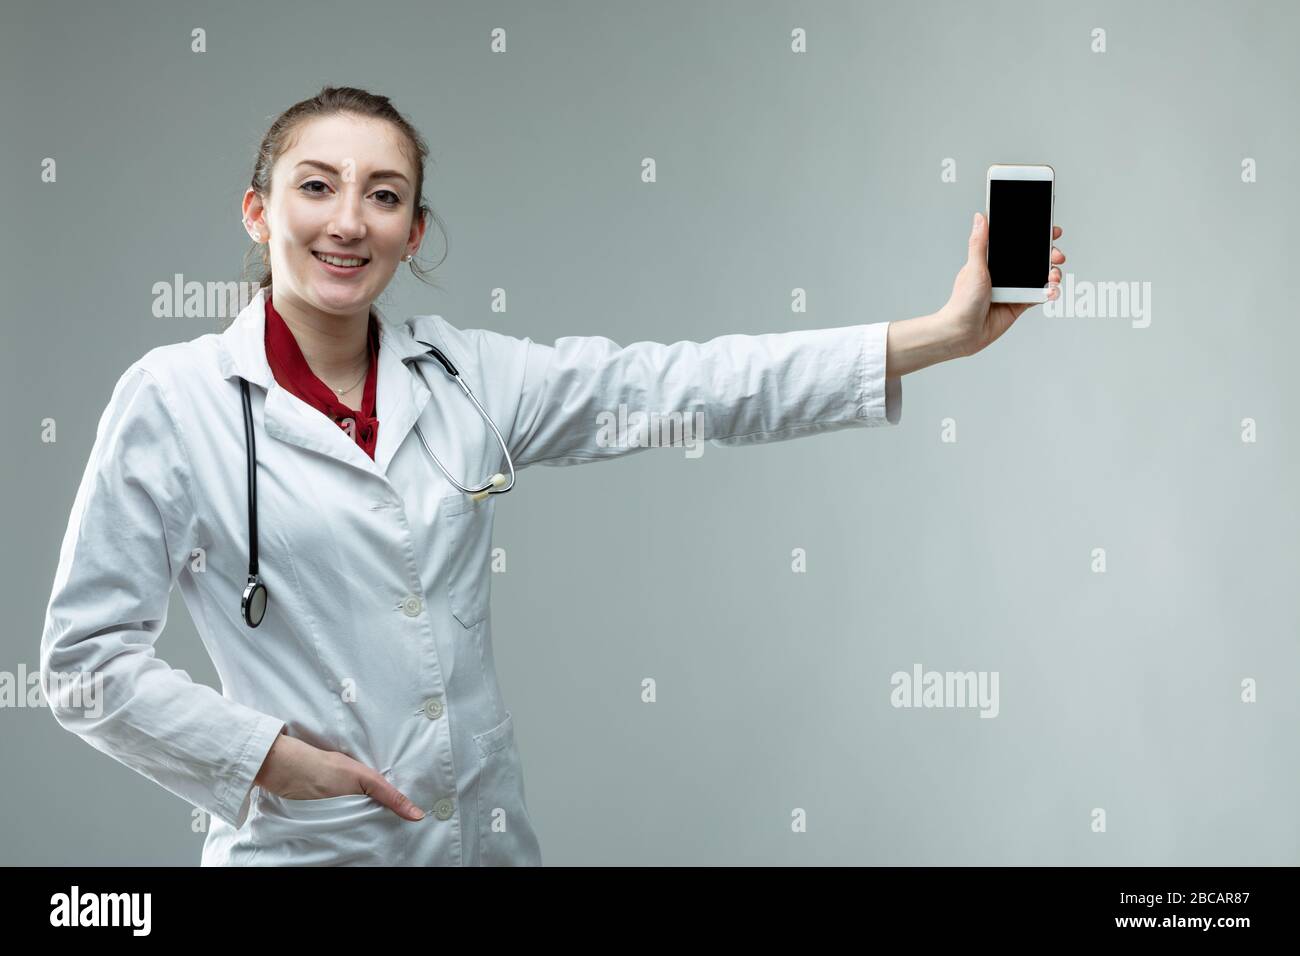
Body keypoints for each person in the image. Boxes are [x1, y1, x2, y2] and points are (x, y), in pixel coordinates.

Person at [39, 86, 1066, 866]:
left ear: (414, 232)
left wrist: (939, 336)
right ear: (258, 212)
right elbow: (85, 660)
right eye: (316, 186)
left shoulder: (469, 376)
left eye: (383, 196)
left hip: (482, 840)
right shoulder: (174, 400)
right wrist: (265, 755)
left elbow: (690, 386)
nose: (348, 220)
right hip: (302, 847)